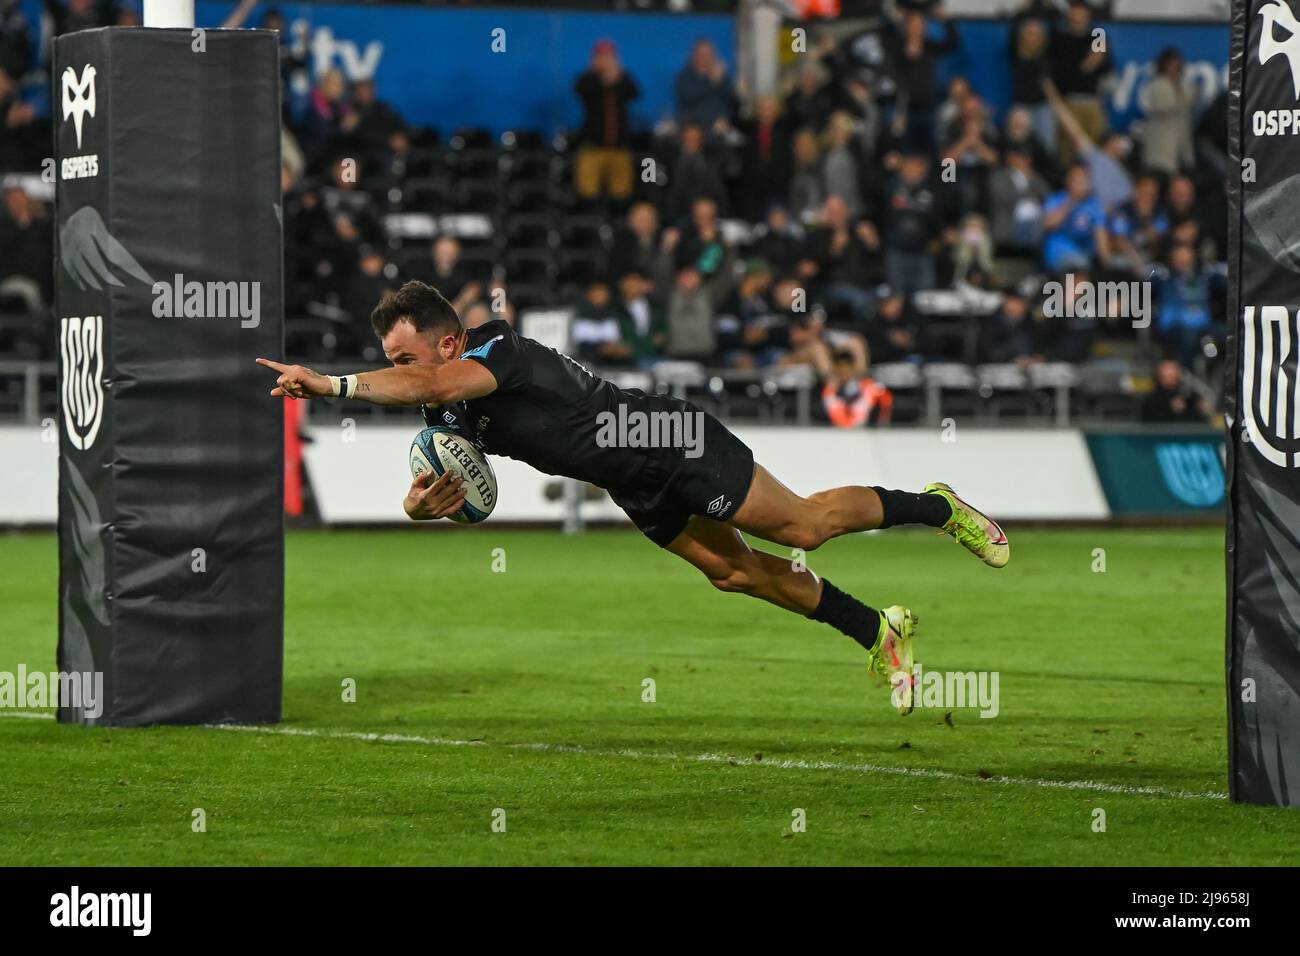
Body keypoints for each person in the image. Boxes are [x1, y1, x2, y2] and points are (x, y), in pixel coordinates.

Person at [257, 282, 1011, 715]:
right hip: (627, 477)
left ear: (448, 344)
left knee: (805, 527)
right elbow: (463, 494)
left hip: (661, 435)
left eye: (402, 357)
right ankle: (880, 631)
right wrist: (421, 507)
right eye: (389, 361)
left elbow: (426, 388)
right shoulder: (441, 404)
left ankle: (941, 508)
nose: (396, 370)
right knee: (735, 574)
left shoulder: (497, 349)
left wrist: (331, 385)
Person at [573, 39, 641, 202]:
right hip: (592, 147)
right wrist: (600, 77)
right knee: (587, 194)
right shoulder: (588, 79)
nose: (605, 60)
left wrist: (618, 76)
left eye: (609, 57)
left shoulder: (623, 79)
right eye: (601, 56)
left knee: (622, 194)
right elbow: (580, 90)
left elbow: (635, 94)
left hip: (619, 147)